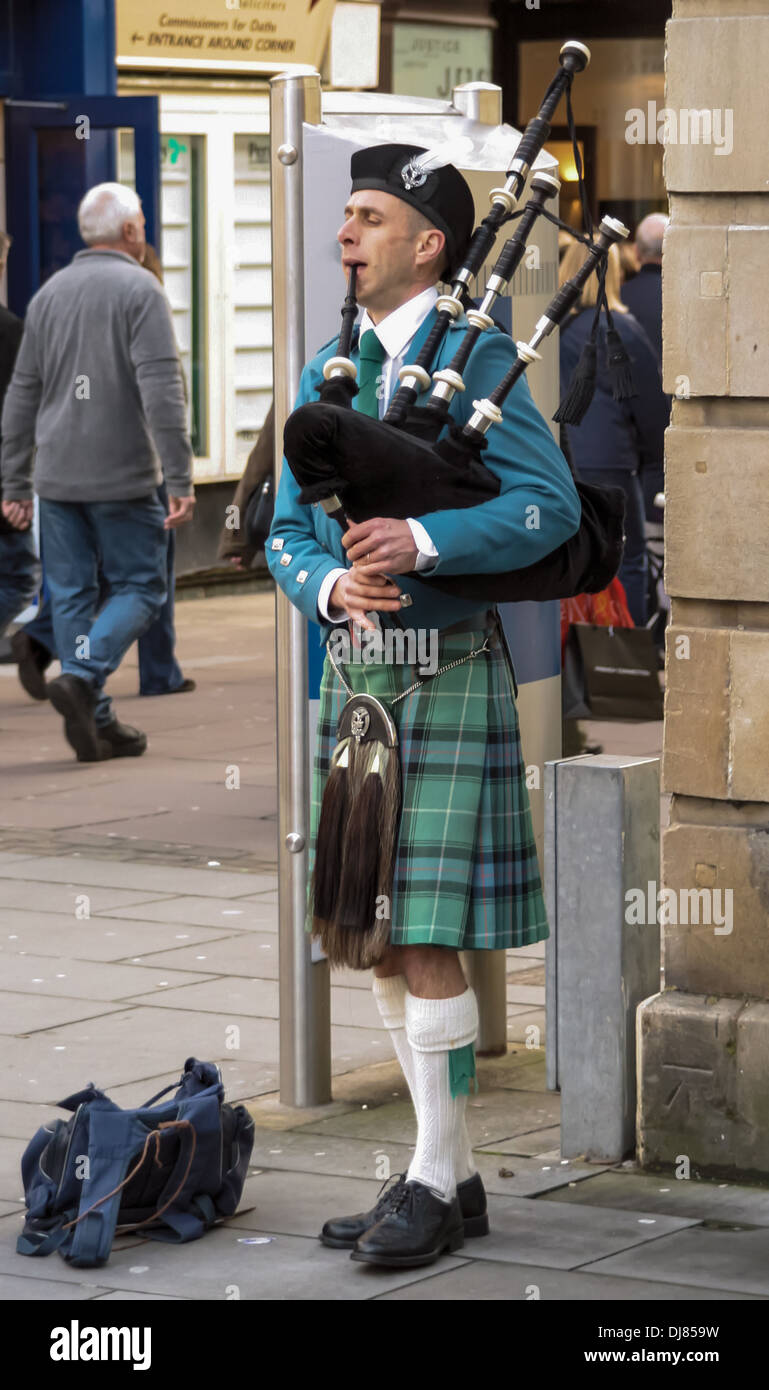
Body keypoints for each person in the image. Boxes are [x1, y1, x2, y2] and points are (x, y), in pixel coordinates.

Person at [267, 143, 582, 1268]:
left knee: (427, 937)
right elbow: (284, 531)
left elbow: (549, 514)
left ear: (428, 242)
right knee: (383, 938)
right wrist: (327, 581)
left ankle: (435, 1182)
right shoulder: (329, 369)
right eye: (344, 215)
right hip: (357, 680)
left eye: (366, 216)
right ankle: (439, 1173)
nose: (344, 233)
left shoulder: (483, 358)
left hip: (444, 668)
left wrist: (424, 536)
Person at [0, 183, 195, 761]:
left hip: (56, 478)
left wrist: (14, 481)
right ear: (131, 231)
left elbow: (22, 395)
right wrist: (180, 477)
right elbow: (163, 390)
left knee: (74, 595)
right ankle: (83, 677)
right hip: (125, 477)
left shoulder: (49, 293)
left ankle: (100, 719)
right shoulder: (141, 290)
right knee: (142, 587)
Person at [558, 239, 669, 627]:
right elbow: (652, 406)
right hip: (611, 462)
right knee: (628, 561)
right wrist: (654, 458)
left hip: (561, 460)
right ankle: (624, 670)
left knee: (575, 561)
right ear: (615, 275)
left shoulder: (551, 330)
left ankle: (581, 665)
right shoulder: (619, 327)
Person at [0, 230, 39, 640]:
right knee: (20, 578)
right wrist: (16, 487)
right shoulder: (10, 331)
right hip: (3, 481)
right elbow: (18, 415)